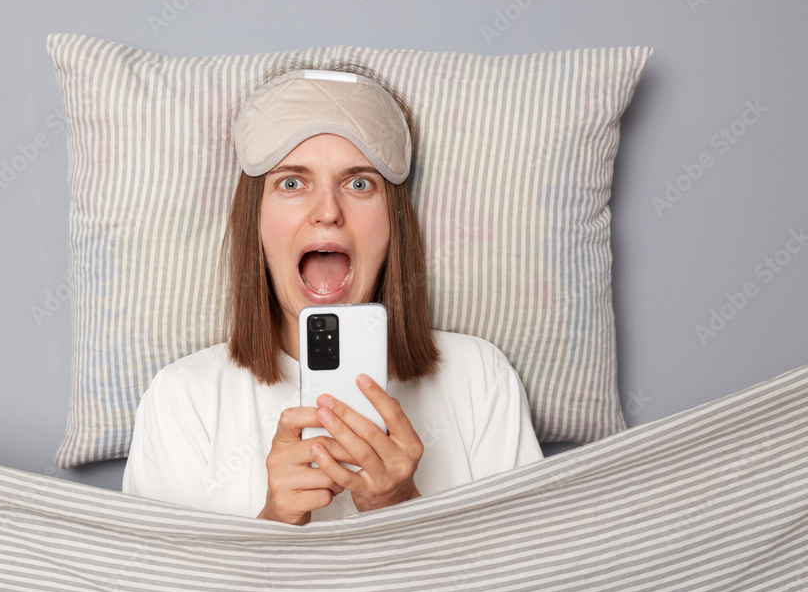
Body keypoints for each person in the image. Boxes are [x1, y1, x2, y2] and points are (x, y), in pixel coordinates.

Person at [122, 62, 543, 524]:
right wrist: (272, 526)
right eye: (291, 183)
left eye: (359, 183)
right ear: (255, 223)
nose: (327, 212)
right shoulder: (183, 401)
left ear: (393, 223)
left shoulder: (480, 380)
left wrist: (402, 510)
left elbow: (526, 591)